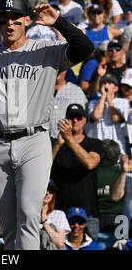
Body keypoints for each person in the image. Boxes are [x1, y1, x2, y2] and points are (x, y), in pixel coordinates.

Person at [0, 0, 94, 249]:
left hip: (34, 141)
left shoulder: (44, 50)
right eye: (4, 19)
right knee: (7, 224)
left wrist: (58, 22)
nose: (10, 24)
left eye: (16, 19)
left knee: (28, 214)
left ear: (27, 21)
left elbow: (85, 48)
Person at [52, 103, 103, 241]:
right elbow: (44, 169)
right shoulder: (55, 143)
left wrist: (69, 139)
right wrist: (58, 144)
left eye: (78, 117)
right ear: (66, 120)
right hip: (60, 213)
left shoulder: (94, 143)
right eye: (71, 117)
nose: (75, 120)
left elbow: (90, 163)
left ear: (85, 120)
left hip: (87, 213)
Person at [40, 179, 70, 250]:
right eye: (44, 189)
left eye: (51, 190)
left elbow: (59, 243)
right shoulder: (28, 214)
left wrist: (44, 222)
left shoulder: (59, 214)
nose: (47, 193)